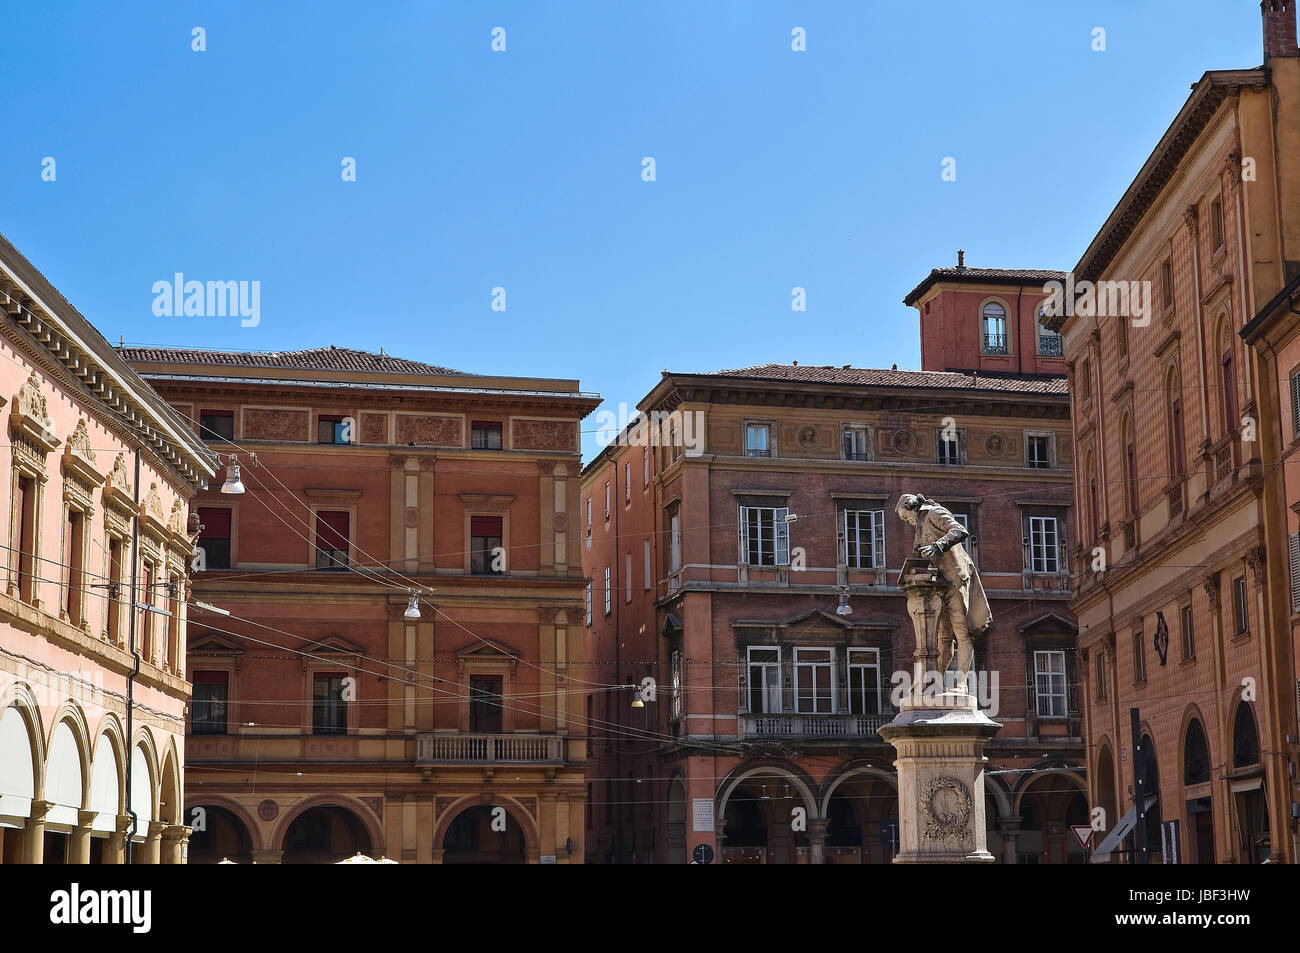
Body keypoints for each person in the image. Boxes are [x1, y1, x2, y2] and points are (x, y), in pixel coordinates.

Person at [894, 493, 992, 685]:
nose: (907, 521)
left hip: (955, 577)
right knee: (944, 638)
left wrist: (937, 546)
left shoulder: (934, 512)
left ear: (911, 507)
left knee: (961, 631)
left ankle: (962, 683)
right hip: (938, 584)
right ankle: (933, 684)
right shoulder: (920, 526)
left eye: (906, 517)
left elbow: (960, 530)